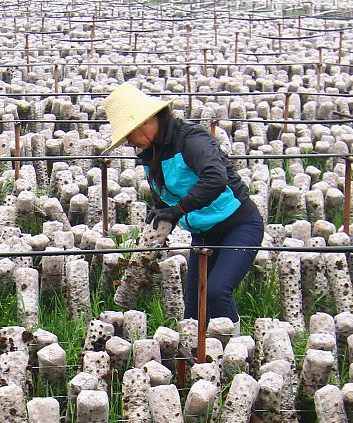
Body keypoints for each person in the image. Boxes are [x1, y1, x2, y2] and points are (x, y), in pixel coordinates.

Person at [102, 83, 265, 324]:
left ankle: (234, 355)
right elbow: (167, 193)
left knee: (217, 291)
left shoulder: (191, 139)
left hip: (239, 225)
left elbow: (215, 179)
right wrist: (159, 211)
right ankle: (197, 356)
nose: (128, 142)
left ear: (147, 121)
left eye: (129, 133)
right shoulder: (151, 154)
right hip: (203, 234)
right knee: (194, 309)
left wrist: (177, 212)